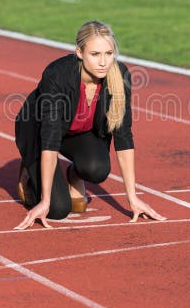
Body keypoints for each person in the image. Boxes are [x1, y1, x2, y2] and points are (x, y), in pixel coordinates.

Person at [13, 20, 166, 229]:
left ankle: (73, 174)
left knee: (97, 169)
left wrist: (133, 198)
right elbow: (50, 138)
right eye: (95, 54)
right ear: (79, 52)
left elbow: (123, 136)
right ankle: (29, 170)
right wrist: (45, 200)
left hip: (78, 131)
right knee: (57, 210)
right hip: (38, 131)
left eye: (109, 53)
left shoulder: (120, 76)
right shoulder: (57, 75)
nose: (103, 62)